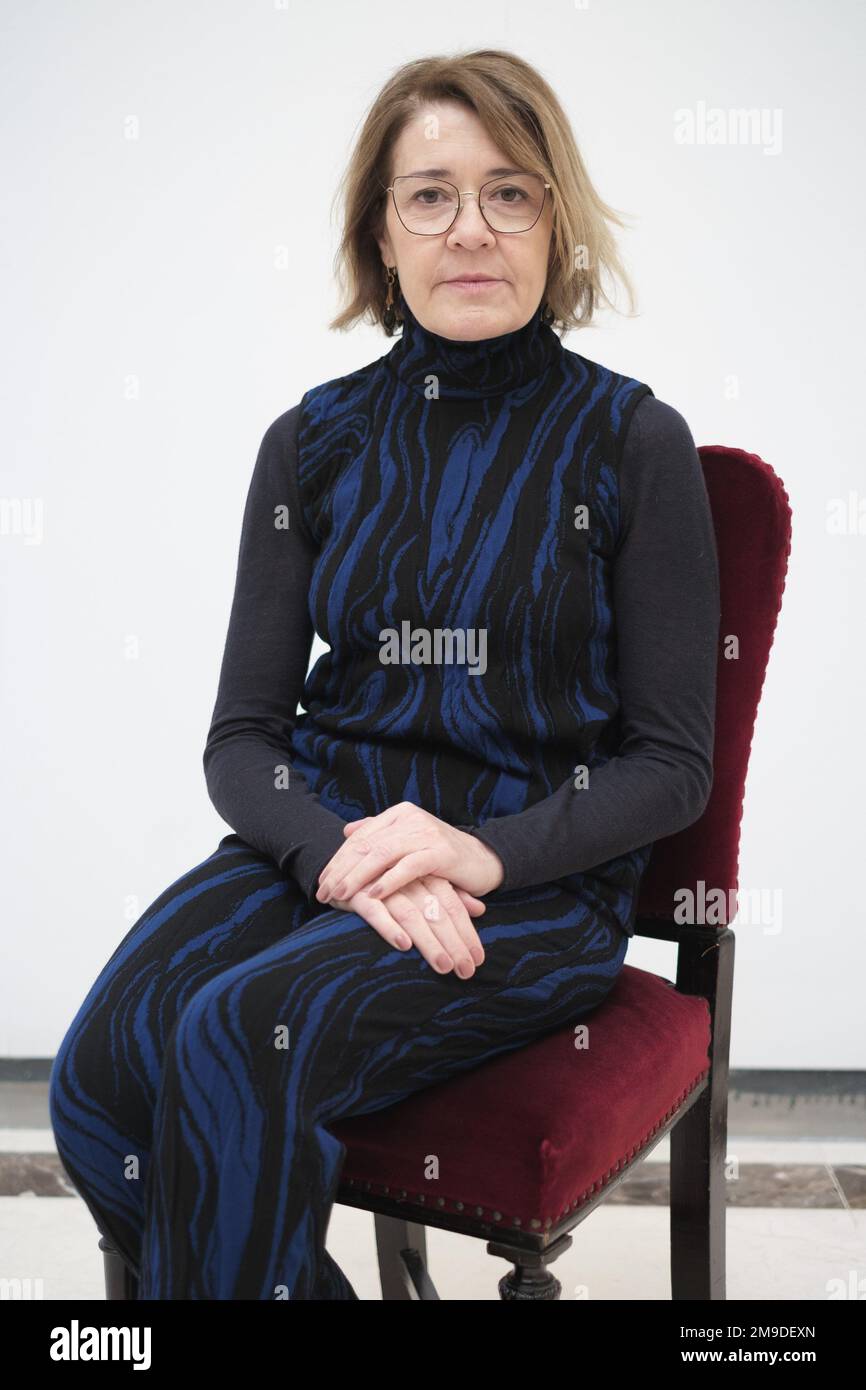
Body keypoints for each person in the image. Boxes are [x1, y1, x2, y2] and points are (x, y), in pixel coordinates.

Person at [49, 48, 720, 1300]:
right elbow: (242, 738)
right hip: (325, 849)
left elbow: (670, 767)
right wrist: (334, 852)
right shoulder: (310, 440)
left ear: (555, 220)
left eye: (509, 193)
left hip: (529, 887)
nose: (469, 228)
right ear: (381, 229)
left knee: (239, 1039)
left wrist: (481, 855)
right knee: (93, 1077)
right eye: (429, 195)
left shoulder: (631, 441)